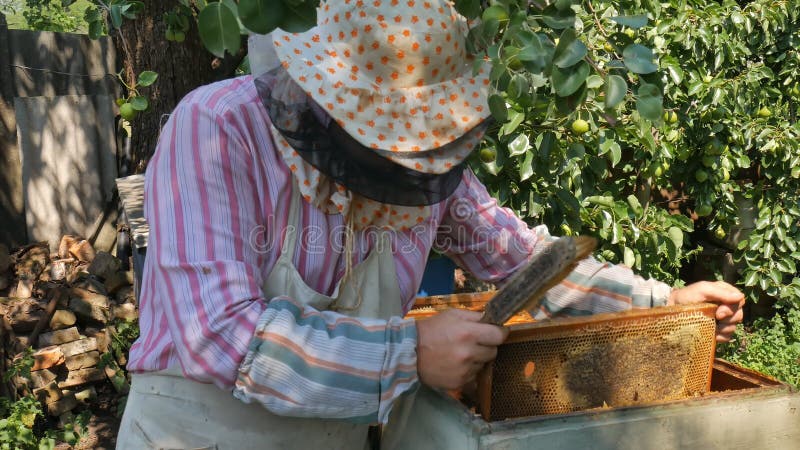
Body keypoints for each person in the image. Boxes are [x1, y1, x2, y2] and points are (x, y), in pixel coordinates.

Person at [115, 0, 745, 448]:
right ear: (323, 99)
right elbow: (219, 334)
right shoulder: (216, 130)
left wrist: (663, 304)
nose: (402, 163)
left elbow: (523, 263)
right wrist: (410, 354)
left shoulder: (420, 171)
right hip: (192, 435)